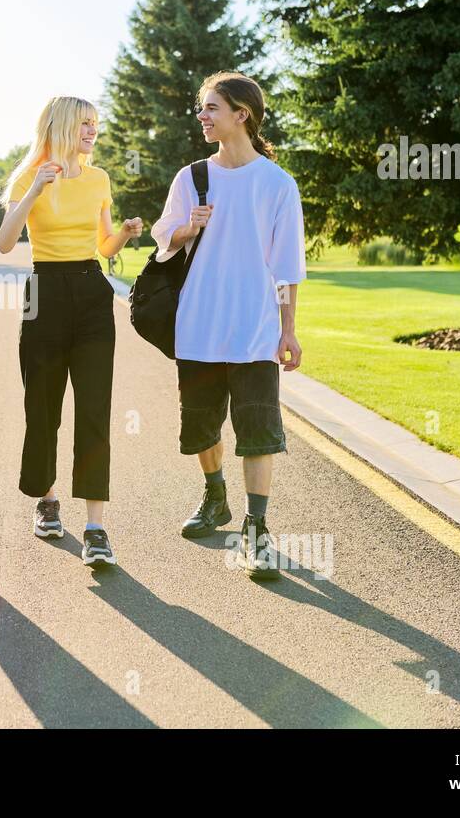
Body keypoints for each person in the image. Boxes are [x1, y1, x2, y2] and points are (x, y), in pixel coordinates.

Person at [149, 71, 306, 580]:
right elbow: (162, 239)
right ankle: (215, 495)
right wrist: (186, 226)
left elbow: (287, 267)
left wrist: (288, 329)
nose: (203, 115)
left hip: (255, 330)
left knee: (259, 432)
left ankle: (255, 528)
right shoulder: (192, 176)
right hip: (198, 326)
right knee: (200, 428)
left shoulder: (277, 184)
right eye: (202, 107)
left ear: (242, 114)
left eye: (212, 107)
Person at [0, 97, 142, 568]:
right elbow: (3, 242)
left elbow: (102, 246)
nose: (92, 131)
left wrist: (123, 233)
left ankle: (96, 527)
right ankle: (48, 500)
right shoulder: (30, 177)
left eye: (96, 124)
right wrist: (35, 189)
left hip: (91, 293)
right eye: (85, 123)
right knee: (42, 406)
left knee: (95, 409)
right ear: (60, 126)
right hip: (45, 294)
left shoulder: (99, 179)